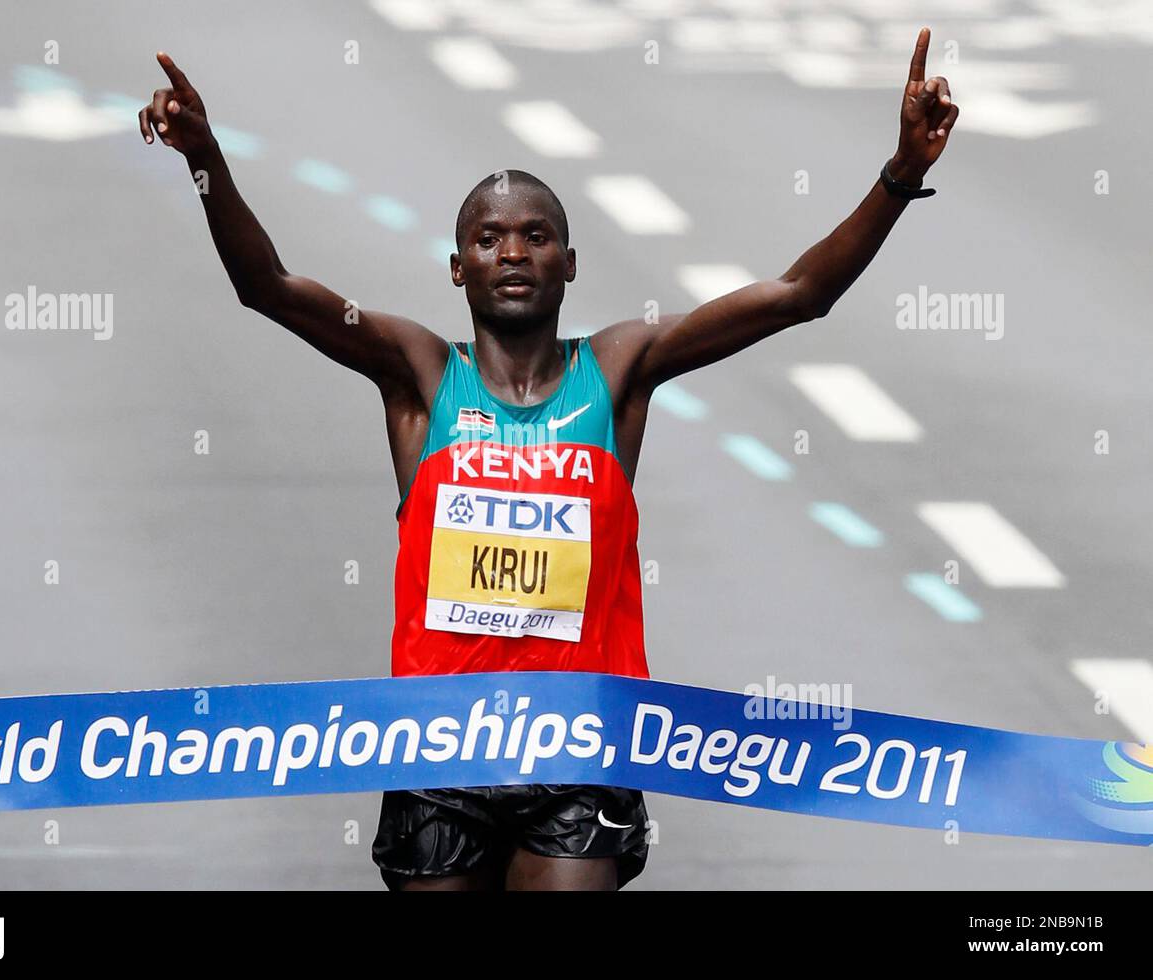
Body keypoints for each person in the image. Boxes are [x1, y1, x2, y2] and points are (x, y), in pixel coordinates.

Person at [138, 28, 957, 891]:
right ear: (458, 269)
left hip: (578, 745)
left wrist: (899, 175)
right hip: (438, 744)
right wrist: (206, 159)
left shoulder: (619, 368)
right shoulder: (418, 373)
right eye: (491, 239)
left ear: (570, 263)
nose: (515, 253)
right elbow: (266, 287)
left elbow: (799, 296)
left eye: (536, 237)